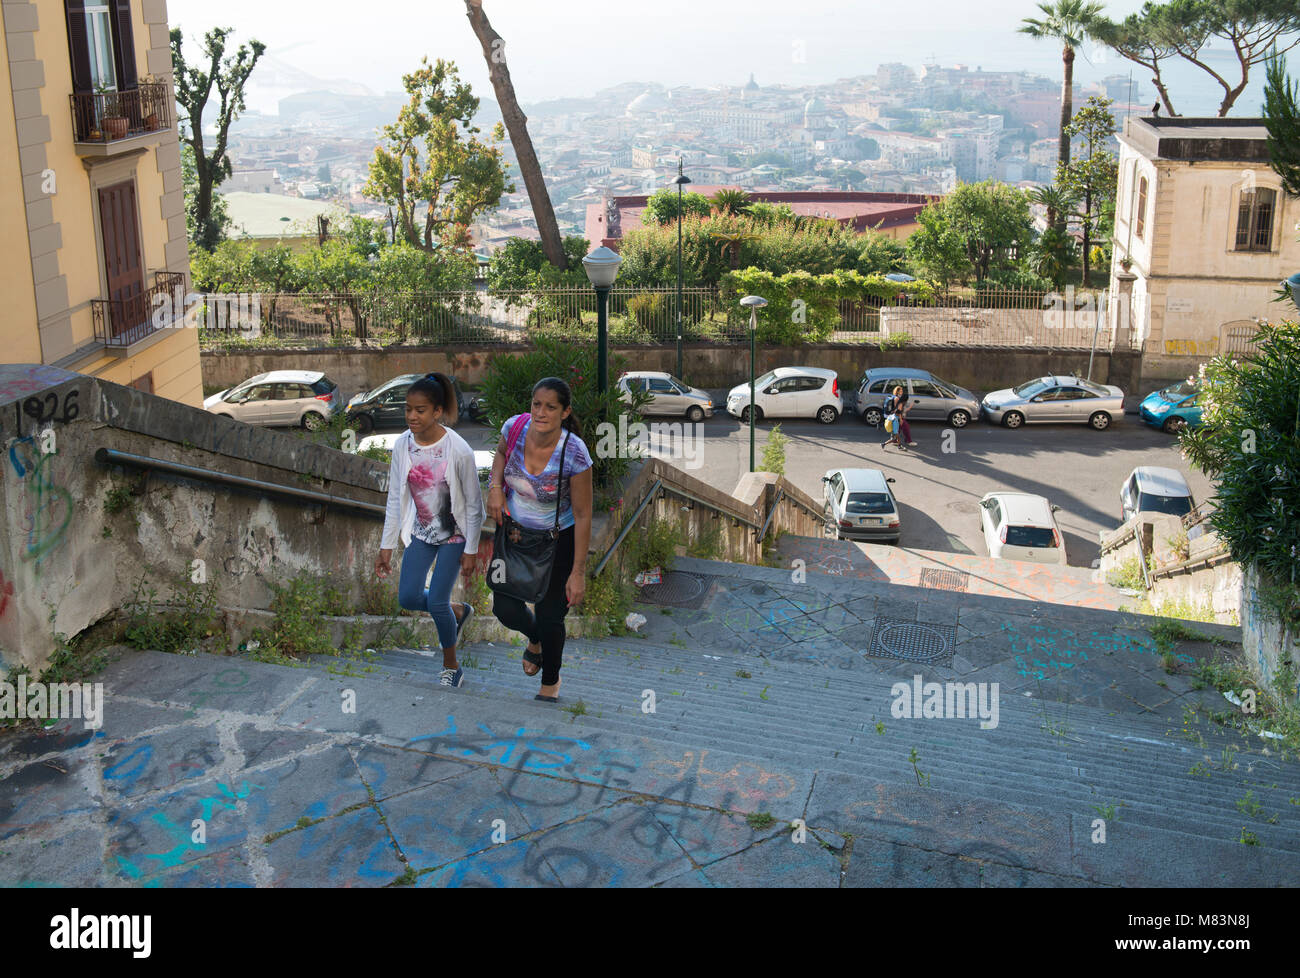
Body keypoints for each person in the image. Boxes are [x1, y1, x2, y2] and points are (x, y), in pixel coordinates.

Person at [486, 377, 594, 703]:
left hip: (557, 541)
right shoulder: (514, 427)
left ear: (565, 412)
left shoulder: (574, 452)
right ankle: (535, 638)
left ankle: (550, 682)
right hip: (515, 536)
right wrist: (494, 488)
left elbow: (584, 513)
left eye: (550, 407)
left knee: (550, 615)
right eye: (536, 404)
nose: (541, 412)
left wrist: (578, 572)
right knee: (504, 606)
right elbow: (501, 456)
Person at [375, 373, 484, 689]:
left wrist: (471, 549)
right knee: (408, 596)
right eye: (408, 409)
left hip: (454, 536)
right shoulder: (402, 445)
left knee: (436, 600)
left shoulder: (458, 449)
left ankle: (451, 665)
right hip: (421, 533)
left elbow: (474, 505)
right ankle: (457, 611)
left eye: (420, 410)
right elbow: (396, 496)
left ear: (437, 411)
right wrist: (387, 545)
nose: (412, 416)